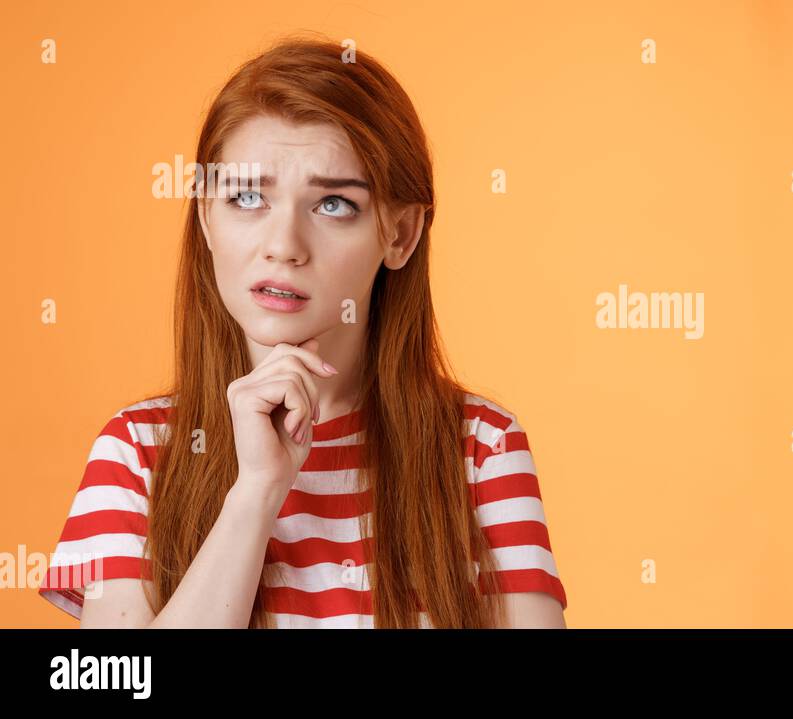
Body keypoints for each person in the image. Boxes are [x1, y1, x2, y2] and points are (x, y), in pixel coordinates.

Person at [36, 36, 567, 628]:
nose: (283, 246)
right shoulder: (136, 451)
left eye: (333, 204)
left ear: (401, 235)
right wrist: (257, 491)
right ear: (206, 218)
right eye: (245, 197)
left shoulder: (481, 449)